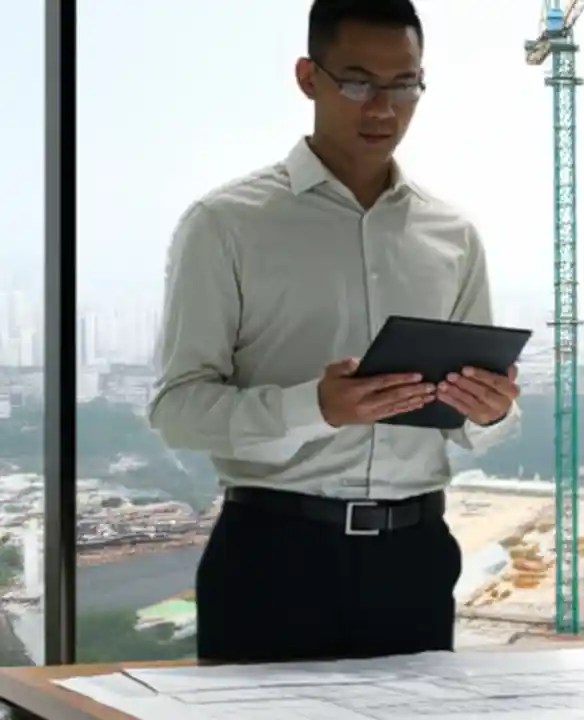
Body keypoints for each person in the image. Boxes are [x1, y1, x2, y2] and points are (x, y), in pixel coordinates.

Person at [148, 0, 521, 663]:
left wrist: (490, 413)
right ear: (307, 78)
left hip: (416, 559)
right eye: (357, 81)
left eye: (404, 84)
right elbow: (177, 411)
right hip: (270, 558)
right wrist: (314, 408)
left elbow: (479, 418)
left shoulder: (453, 237)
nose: (382, 107)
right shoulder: (225, 225)